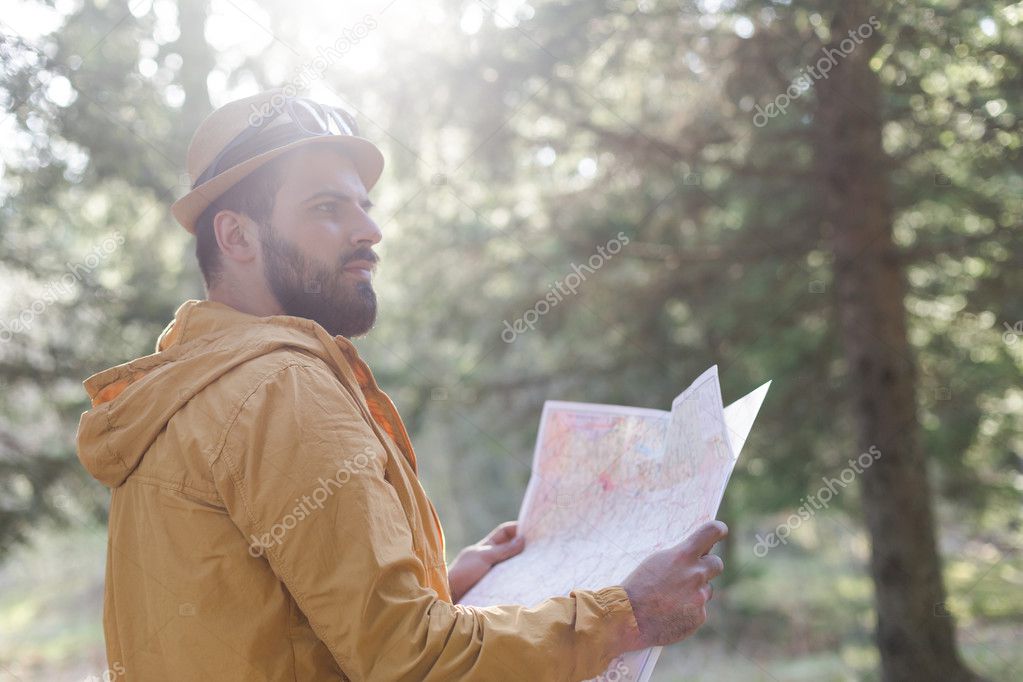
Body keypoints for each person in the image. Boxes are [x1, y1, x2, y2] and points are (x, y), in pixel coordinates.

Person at [76, 88, 727, 681]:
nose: (369, 231)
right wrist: (627, 614)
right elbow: (409, 662)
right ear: (236, 235)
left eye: (363, 207)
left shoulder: (185, 390)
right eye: (327, 208)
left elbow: (261, 622)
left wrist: (441, 584)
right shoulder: (280, 389)